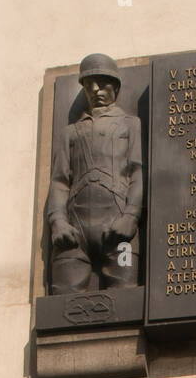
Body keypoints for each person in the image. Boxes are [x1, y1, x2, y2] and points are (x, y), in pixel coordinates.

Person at [47, 54, 143, 293]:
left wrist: (130, 217)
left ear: (116, 86)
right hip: (75, 229)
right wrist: (58, 222)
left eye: (102, 82)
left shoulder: (131, 125)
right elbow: (59, 182)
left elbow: (137, 173)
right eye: (89, 84)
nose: (94, 89)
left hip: (118, 227)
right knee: (63, 303)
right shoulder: (70, 133)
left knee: (125, 296)